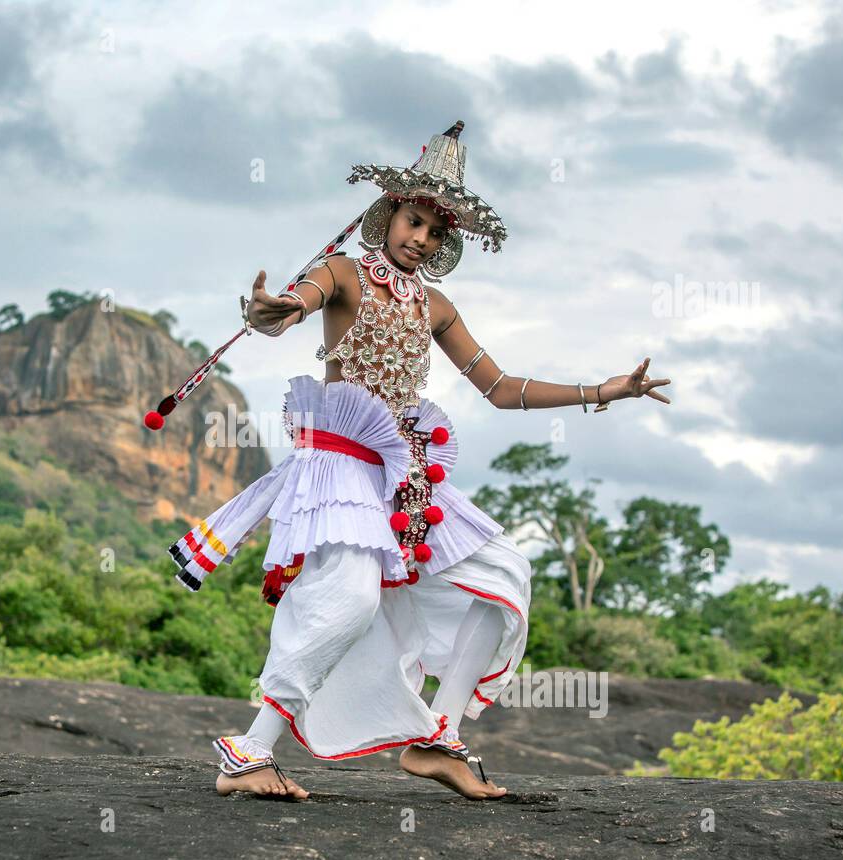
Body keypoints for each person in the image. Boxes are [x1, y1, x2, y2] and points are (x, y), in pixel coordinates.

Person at [167, 122, 671, 802]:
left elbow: (500, 387)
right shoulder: (342, 272)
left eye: (436, 233)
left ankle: (438, 739)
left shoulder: (435, 305)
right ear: (389, 216)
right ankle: (249, 751)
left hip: (403, 474)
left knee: (505, 576)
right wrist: (273, 310)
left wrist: (600, 391)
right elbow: (296, 305)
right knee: (347, 600)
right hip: (340, 463)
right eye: (413, 221)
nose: (421, 239)